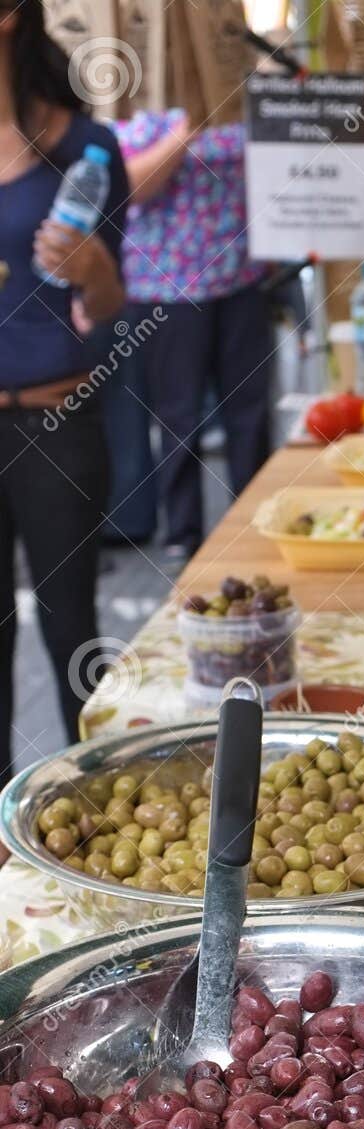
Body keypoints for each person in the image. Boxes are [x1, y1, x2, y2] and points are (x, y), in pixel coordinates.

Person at [0, 0, 127, 786]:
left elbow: (109, 304)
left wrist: (91, 267)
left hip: (57, 421)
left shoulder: (85, 147)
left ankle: (96, 805)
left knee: (71, 627)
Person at [114, 110, 273, 559]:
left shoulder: (235, 107)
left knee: (249, 412)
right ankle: (184, 534)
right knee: (178, 416)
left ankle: (256, 521)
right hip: (167, 288)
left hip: (240, 280)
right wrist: (184, 134)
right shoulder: (135, 120)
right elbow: (132, 189)